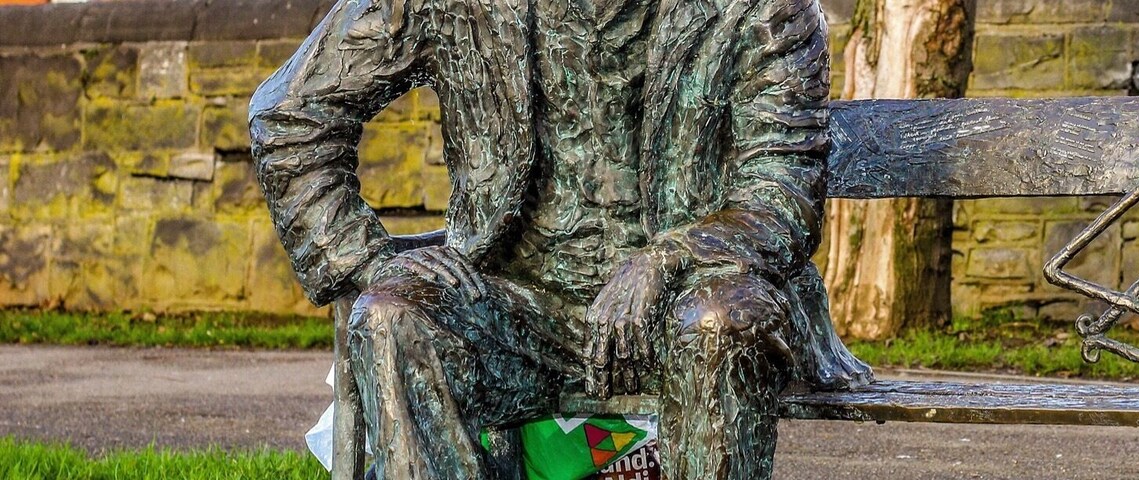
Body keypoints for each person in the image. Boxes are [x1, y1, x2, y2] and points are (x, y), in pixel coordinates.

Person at [248, 0, 871, 477]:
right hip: (518, 303)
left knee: (721, 323)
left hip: (689, 299)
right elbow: (289, 116)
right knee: (392, 318)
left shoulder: (760, 8)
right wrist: (369, 262)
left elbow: (779, 194)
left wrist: (664, 259)